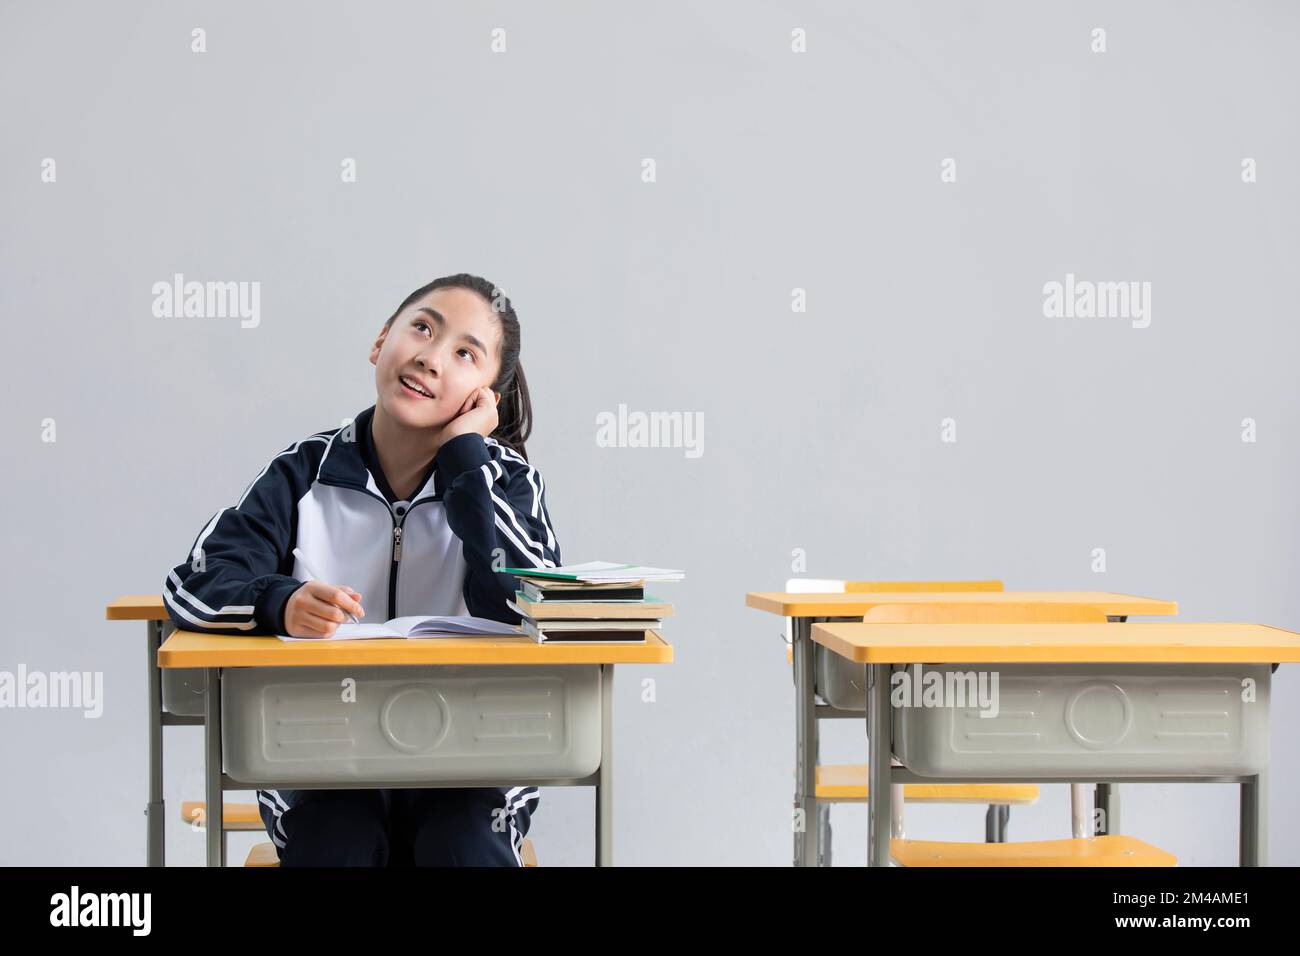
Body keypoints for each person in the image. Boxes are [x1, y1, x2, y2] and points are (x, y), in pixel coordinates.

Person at [162, 272, 562, 865]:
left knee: (462, 847)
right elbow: (195, 581)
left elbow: (534, 604)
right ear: (381, 342)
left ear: (483, 398)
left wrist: (464, 461)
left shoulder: (501, 482)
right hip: (319, 756)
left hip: (474, 761)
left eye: (464, 353)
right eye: (421, 328)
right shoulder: (302, 473)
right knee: (335, 846)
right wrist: (280, 602)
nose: (430, 357)